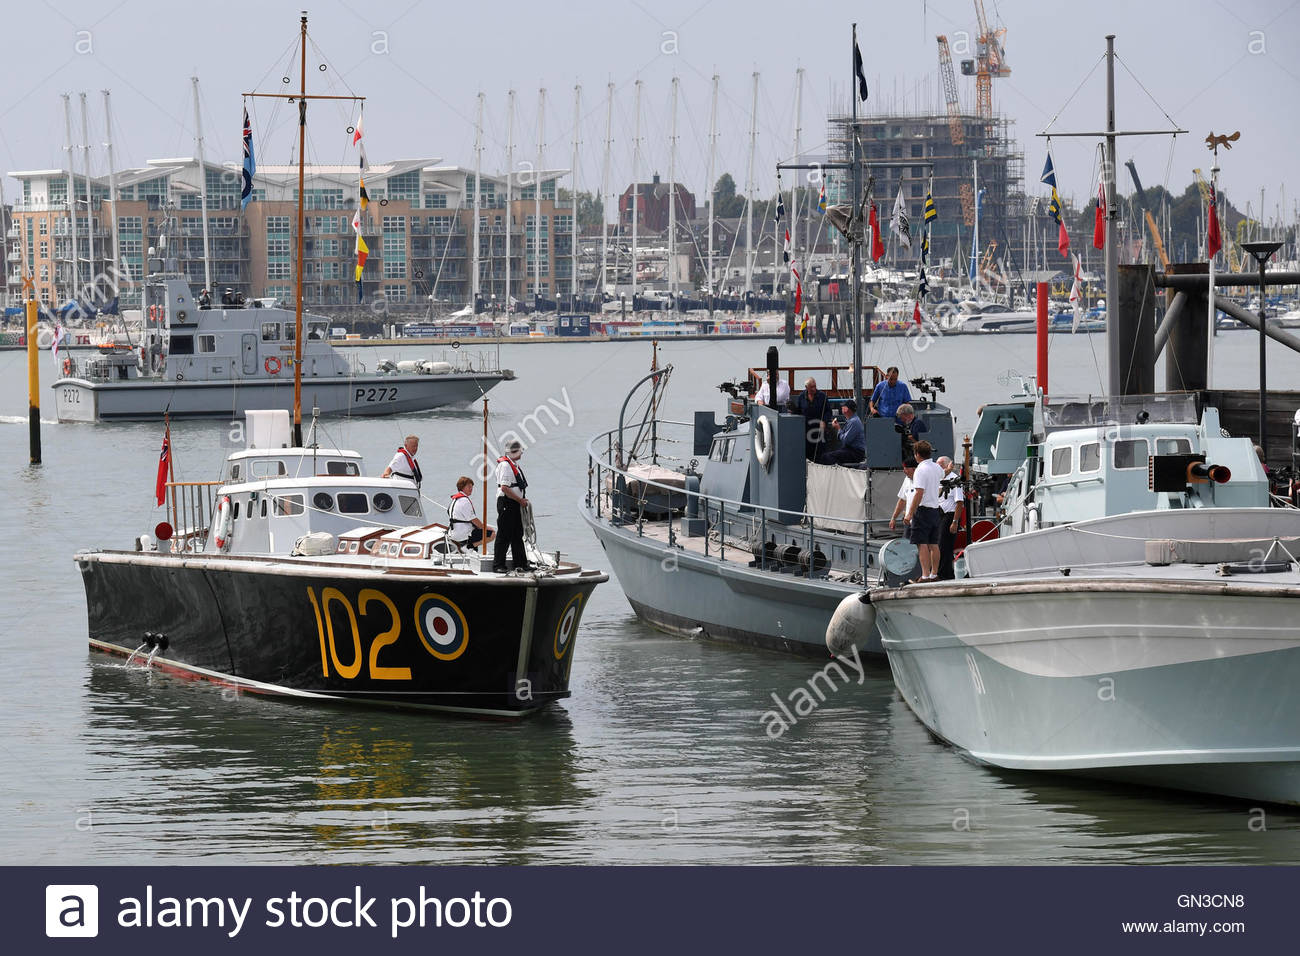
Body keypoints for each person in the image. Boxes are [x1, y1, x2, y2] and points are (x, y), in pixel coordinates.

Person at [904, 440, 944, 581]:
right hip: (935, 510)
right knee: (934, 544)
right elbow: (943, 475)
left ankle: (925, 576)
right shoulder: (937, 468)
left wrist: (909, 513)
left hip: (923, 511)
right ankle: (934, 574)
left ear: (917, 454)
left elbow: (919, 493)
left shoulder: (920, 469)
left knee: (922, 544)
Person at [494, 439, 533, 573]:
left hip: (515, 503)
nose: (521, 454)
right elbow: (504, 488)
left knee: (517, 534)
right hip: (507, 502)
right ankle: (498, 564)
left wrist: (520, 500)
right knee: (504, 534)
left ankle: (521, 563)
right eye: (520, 451)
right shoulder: (505, 466)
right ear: (514, 452)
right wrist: (519, 499)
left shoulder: (514, 465)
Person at [936, 456, 965, 580]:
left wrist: (955, 521)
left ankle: (945, 574)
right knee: (938, 545)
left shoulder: (954, 480)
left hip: (949, 515)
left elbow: (959, 502)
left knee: (944, 546)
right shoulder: (939, 479)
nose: (938, 467)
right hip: (939, 514)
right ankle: (939, 572)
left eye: (941, 465)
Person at [447, 476, 494, 549]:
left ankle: (470, 547)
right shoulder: (464, 501)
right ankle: (468, 547)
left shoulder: (454, 500)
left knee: (478, 531)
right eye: (469, 486)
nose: (471, 489)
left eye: (472, 487)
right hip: (463, 534)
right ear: (462, 487)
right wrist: (486, 528)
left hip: (453, 532)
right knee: (492, 534)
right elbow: (473, 520)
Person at [792, 377, 832, 460]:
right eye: (812, 387)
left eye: (815, 386)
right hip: (806, 431)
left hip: (819, 430)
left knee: (820, 454)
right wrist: (792, 409)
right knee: (807, 453)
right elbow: (798, 412)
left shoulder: (822, 396)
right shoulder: (801, 396)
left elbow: (828, 411)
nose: (814, 389)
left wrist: (824, 421)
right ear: (806, 387)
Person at [819, 399, 865, 466]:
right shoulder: (852, 420)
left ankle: (840, 470)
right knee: (829, 455)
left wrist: (838, 428)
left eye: (843, 407)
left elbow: (845, 440)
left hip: (855, 453)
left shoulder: (854, 422)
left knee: (826, 457)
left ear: (847, 409)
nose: (841, 408)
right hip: (852, 451)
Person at [888, 458, 917, 532]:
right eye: (903, 468)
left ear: (914, 469)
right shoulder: (906, 480)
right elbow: (902, 500)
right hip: (908, 522)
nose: (904, 471)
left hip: (919, 522)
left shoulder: (922, 480)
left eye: (906, 468)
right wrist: (893, 518)